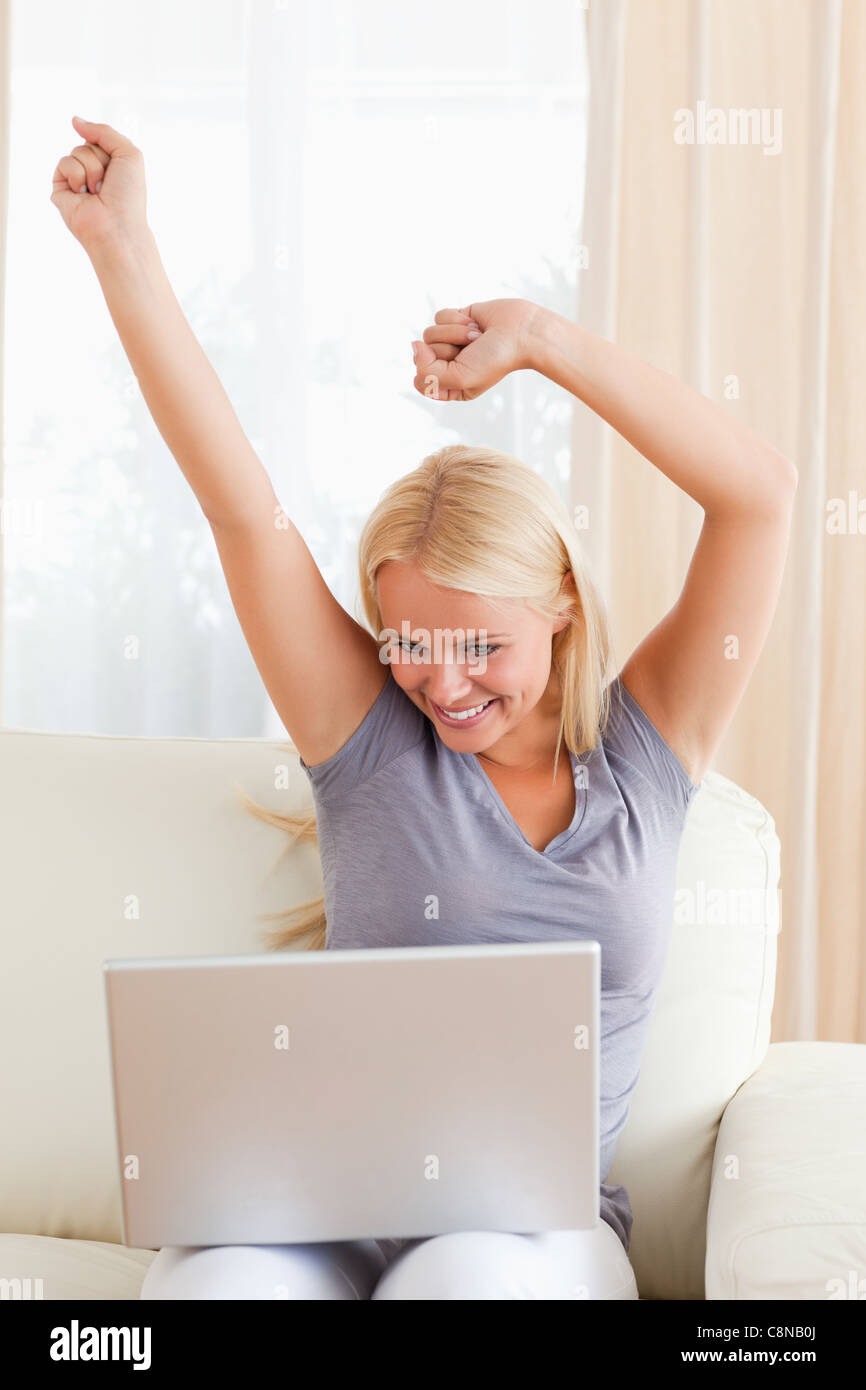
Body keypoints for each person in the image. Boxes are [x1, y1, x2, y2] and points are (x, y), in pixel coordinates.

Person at [51, 117, 798, 1300]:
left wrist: (546, 343)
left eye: (479, 645)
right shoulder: (369, 744)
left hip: (528, 1236)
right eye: (407, 642)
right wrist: (120, 248)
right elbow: (244, 511)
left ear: (559, 604)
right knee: (210, 1294)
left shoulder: (648, 753)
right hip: (312, 1212)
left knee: (459, 1286)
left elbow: (757, 499)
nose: (440, 683)